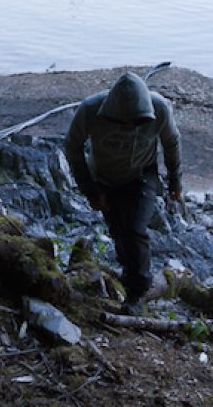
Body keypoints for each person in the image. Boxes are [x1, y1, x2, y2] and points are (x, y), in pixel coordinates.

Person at [63, 72, 182, 312]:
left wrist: (175, 184)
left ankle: (138, 293)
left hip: (142, 175)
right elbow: (72, 147)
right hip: (104, 178)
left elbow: (171, 143)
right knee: (119, 231)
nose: (130, 128)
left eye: (136, 123)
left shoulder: (159, 108)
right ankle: (128, 273)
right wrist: (90, 191)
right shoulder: (90, 110)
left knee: (135, 229)